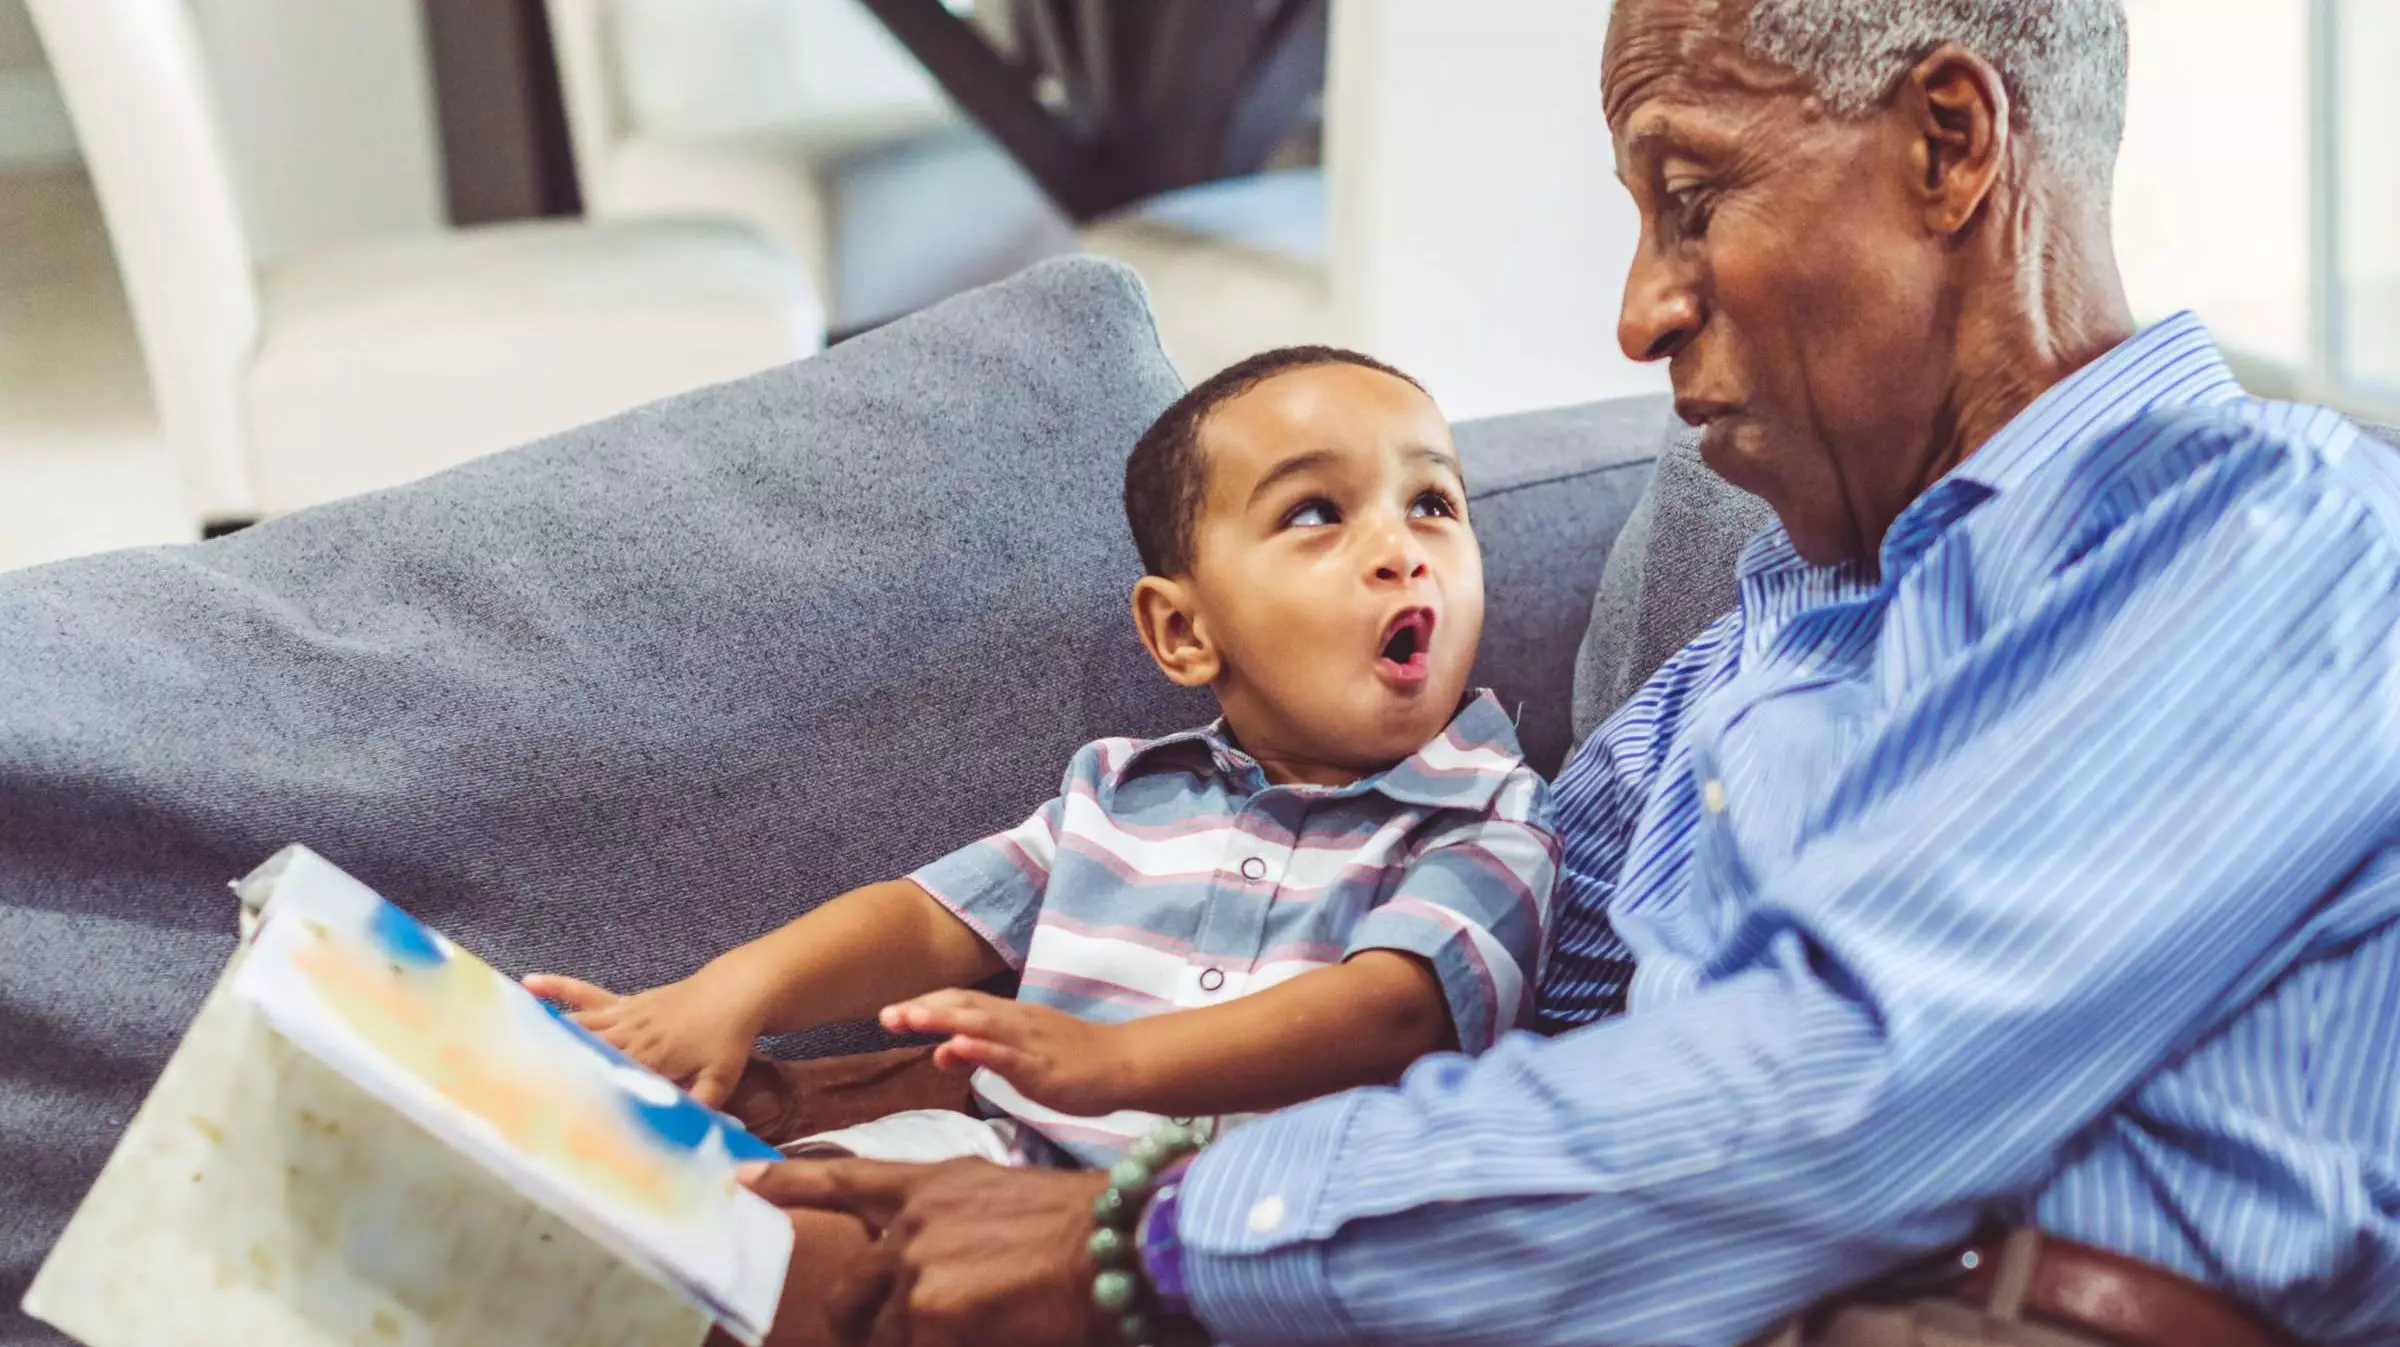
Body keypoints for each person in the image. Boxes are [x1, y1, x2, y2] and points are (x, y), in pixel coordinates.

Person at [732, 0, 2400, 1344]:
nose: (1637, 309)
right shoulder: (1747, 659)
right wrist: (854, 1097)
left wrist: (1137, 1237)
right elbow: (1432, 1006)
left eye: (1692, 199)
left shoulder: (2279, 538)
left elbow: (1830, 1097)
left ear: (1950, 146)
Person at [526, 347, 1558, 1330]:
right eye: (1317, 513)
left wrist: (1117, 1061)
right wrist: (729, 995)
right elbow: (929, 921)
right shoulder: (1121, 792)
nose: (1400, 550)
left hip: (1241, 1242)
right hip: (1008, 1157)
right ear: (1184, 633)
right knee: (723, 1205)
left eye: (1433, 503)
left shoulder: (1488, 818)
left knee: (829, 1275)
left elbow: (1392, 1011)